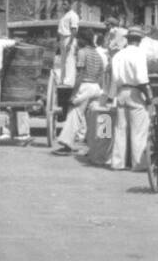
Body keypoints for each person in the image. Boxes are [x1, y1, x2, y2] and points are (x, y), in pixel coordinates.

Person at [54, 25, 108, 153]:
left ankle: (67, 144)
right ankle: (98, 147)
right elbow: (101, 75)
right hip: (96, 87)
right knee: (93, 117)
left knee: (74, 113)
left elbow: (80, 75)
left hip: (85, 86)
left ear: (82, 40)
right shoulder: (98, 55)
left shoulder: (82, 52)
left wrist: (73, 94)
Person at [109, 25, 152, 170]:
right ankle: (138, 163)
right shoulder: (139, 54)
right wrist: (149, 98)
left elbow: (114, 78)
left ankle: (117, 162)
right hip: (135, 92)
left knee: (120, 129)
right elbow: (141, 79)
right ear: (140, 40)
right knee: (139, 130)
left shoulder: (119, 55)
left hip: (121, 91)